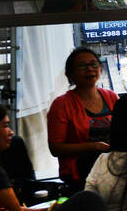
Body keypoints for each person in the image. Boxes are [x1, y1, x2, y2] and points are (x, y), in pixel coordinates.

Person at [47, 48, 118, 186]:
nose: (90, 69)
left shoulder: (111, 97)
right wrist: (93, 146)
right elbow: (56, 148)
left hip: (113, 170)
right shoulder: (61, 104)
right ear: (70, 74)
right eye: (82, 66)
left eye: (94, 64)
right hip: (80, 174)